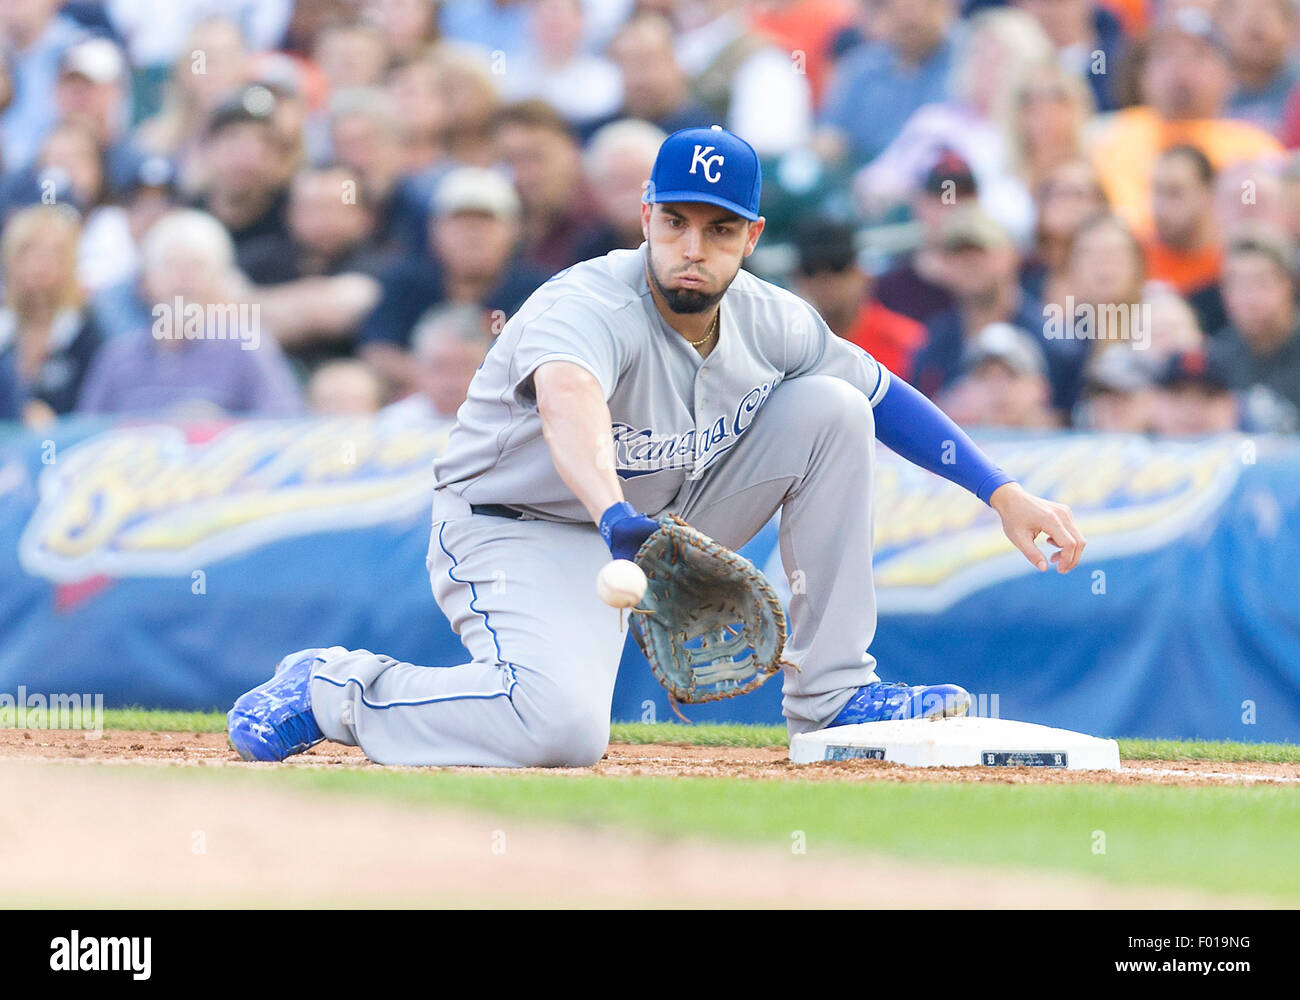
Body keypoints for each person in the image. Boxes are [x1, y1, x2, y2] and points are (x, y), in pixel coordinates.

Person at [226, 125, 1085, 767]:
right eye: (675, 222)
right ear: (645, 217)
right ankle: (333, 686)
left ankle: (836, 696)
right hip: (520, 521)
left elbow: (884, 398)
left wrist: (1003, 494)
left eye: (718, 231)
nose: (691, 247)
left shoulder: (771, 317)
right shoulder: (587, 304)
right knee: (560, 730)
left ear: (751, 239)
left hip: (649, 517)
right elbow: (568, 399)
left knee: (829, 409)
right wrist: (613, 518)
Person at [77, 209, 303, 418]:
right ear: (145, 284)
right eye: (170, 266)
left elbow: (281, 427)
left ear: (219, 282)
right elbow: (88, 436)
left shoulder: (248, 347)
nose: (183, 279)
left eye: (197, 266)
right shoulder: (118, 357)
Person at [0, 204, 103, 425]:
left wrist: (56, 427)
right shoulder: (5, 329)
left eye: (54, 253)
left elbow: (97, 412)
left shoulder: (88, 334)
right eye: (27, 251)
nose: (39, 265)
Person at [790, 217, 924, 378]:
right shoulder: (790, 350)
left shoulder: (905, 341)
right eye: (810, 270)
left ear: (860, 273)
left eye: (837, 266)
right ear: (797, 279)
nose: (824, 279)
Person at [1210, 226, 1300, 412]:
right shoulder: (1217, 356)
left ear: (1289, 284)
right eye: (1237, 284)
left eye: (1260, 282)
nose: (1248, 296)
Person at [939, 322, 1060, 429]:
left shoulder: (1069, 450)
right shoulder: (949, 450)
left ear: (1040, 387)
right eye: (984, 376)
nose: (998, 387)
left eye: (1011, 374)